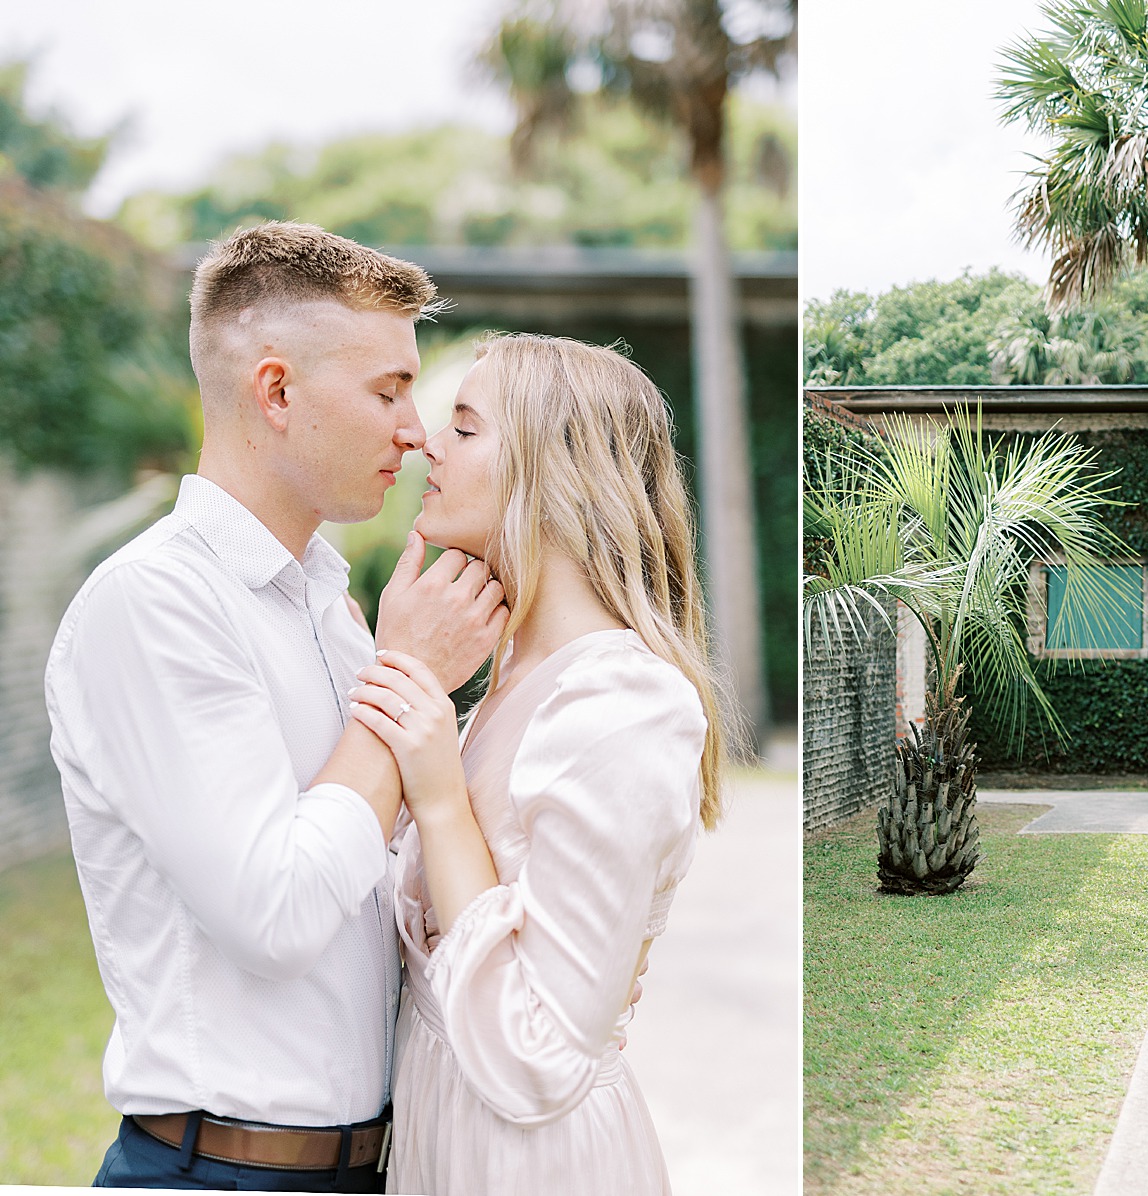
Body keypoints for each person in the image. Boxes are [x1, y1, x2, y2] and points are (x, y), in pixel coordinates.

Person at [45, 221, 508, 1192]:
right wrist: (406, 677)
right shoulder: (155, 604)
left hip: (375, 1163)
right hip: (220, 1171)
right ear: (276, 390)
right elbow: (275, 909)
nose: (415, 431)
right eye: (387, 390)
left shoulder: (334, 612)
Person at [333, 334, 726, 1196]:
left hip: (528, 1164)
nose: (429, 445)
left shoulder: (624, 703)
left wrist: (439, 799)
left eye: (466, 430)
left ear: (555, 474)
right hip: (451, 1140)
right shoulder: (513, 681)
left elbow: (538, 1058)